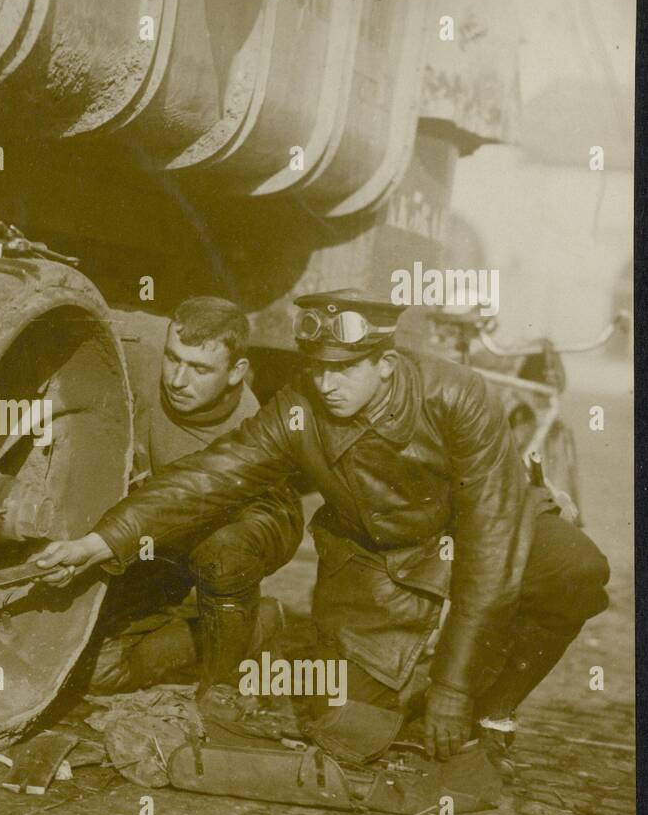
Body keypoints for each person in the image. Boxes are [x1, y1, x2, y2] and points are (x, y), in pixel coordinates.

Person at [39, 289, 609, 765]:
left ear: (385, 365)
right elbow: (211, 475)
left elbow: (490, 543)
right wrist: (104, 539)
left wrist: (454, 691)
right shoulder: (300, 407)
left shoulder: (459, 396)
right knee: (346, 728)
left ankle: (495, 707)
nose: (326, 384)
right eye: (317, 368)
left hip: (484, 524)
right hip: (380, 556)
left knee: (577, 572)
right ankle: (395, 672)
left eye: (342, 369)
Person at [84, 298, 303, 708]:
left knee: (221, 558)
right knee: (83, 662)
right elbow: (72, 308)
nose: (178, 380)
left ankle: (248, 627)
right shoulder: (141, 337)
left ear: (236, 372)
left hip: (189, 534)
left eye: (201, 369)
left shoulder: (246, 434)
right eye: (173, 359)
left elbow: (207, 532)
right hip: (136, 520)